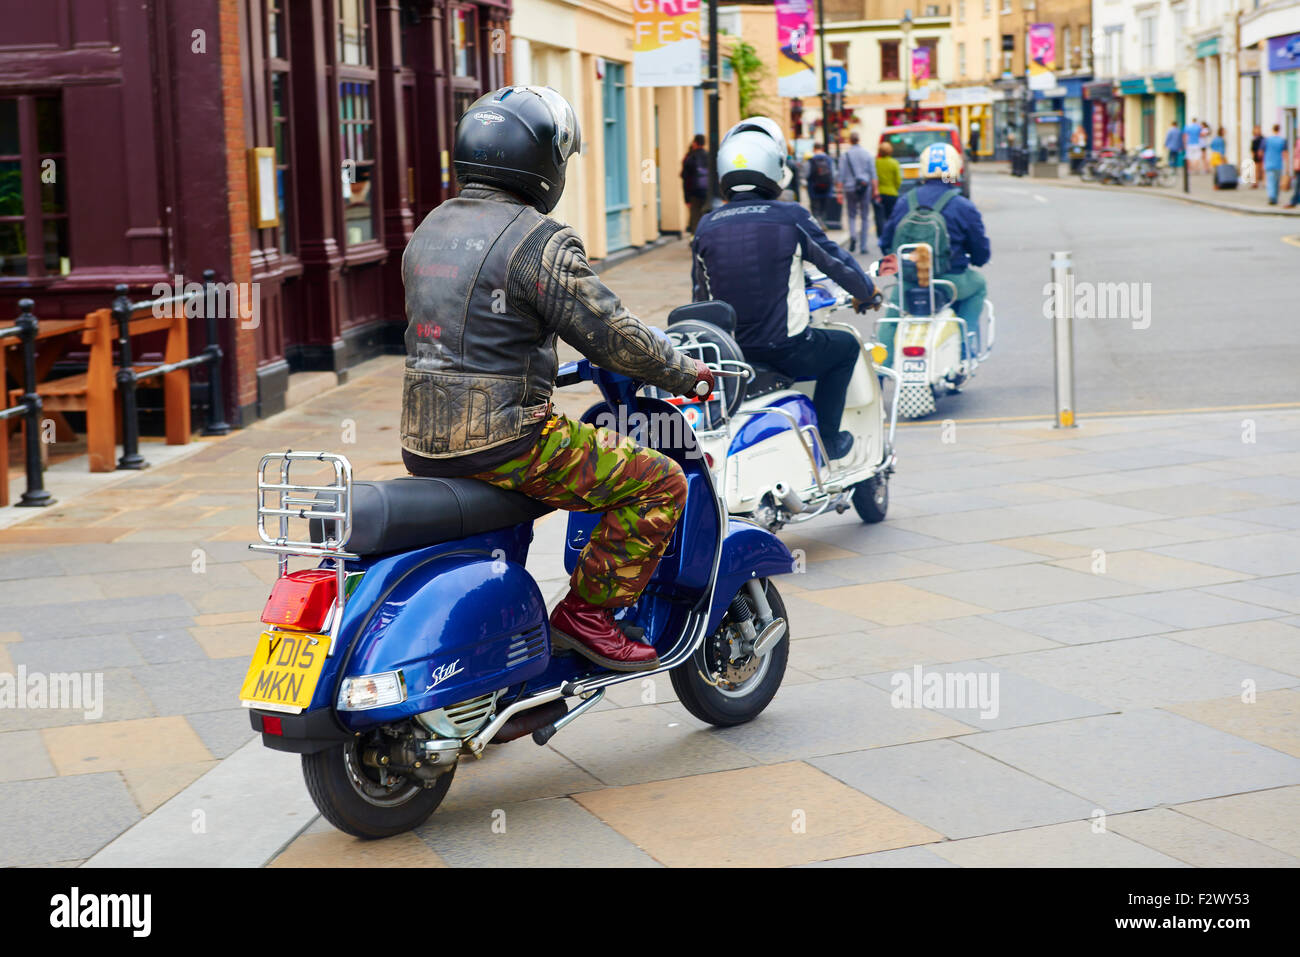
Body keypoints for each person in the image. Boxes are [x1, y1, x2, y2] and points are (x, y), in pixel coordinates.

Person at [401, 86, 713, 672]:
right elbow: (613, 336)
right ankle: (587, 616)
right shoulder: (536, 241)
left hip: (422, 442)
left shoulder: (430, 229)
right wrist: (685, 371)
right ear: (540, 161)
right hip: (507, 441)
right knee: (660, 481)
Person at [690, 117, 883, 461]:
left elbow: (699, 297)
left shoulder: (707, 225)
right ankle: (829, 440)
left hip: (731, 356)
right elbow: (836, 262)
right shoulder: (790, 216)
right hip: (786, 349)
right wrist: (867, 291)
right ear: (774, 166)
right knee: (845, 347)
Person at [880, 142, 990, 359]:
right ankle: (964, 352)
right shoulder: (962, 205)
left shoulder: (905, 202)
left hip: (911, 282)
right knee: (978, 285)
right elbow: (981, 252)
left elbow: (886, 243)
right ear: (955, 168)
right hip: (950, 282)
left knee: (891, 319)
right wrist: (975, 259)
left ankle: (882, 370)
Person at [838, 131, 877, 253]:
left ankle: (853, 236)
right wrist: (876, 190)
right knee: (865, 216)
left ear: (850, 140)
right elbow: (873, 174)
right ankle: (863, 246)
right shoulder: (867, 154)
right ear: (859, 139)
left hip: (850, 188)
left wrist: (839, 191)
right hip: (865, 187)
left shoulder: (845, 155)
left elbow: (841, 175)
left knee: (851, 215)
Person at [681, 134, 711, 234]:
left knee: (695, 218)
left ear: (695, 143)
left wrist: (686, 198)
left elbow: (685, 178)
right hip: (708, 193)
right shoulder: (710, 156)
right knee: (707, 216)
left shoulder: (690, 157)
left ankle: (695, 240)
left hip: (694, 193)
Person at [874, 140, 901, 244]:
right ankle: (891, 236)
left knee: (879, 217)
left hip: (879, 194)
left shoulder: (876, 162)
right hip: (892, 193)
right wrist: (895, 188)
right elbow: (898, 180)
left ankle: (881, 237)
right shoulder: (894, 163)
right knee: (891, 216)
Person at [805, 142, 835, 225]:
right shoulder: (829, 160)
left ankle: (817, 225)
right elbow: (833, 174)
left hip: (813, 189)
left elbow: (806, 174)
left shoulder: (810, 160)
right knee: (824, 208)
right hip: (827, 188)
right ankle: (823, 222)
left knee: (815, 208)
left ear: (814, 149)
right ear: (822, 148)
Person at [1262, 124, 1289, 204]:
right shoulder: (1282, 140)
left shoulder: (1267, 140)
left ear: (1272, 129)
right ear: (1279, 130)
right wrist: (1287, 166)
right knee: (1277, 182)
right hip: (1278, 164)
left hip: (1269, 163)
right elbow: (1285, 154)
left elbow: (1262, 152)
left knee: (1270, 181)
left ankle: (1272, 197)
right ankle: (1275, 198)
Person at [1287, 130, 1300, 208]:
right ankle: (1294, 201)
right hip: (1298, 166)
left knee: (1297, 184)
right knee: (1297, 184)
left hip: (1298, 166)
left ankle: (1294, 201)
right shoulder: (1298, 141)